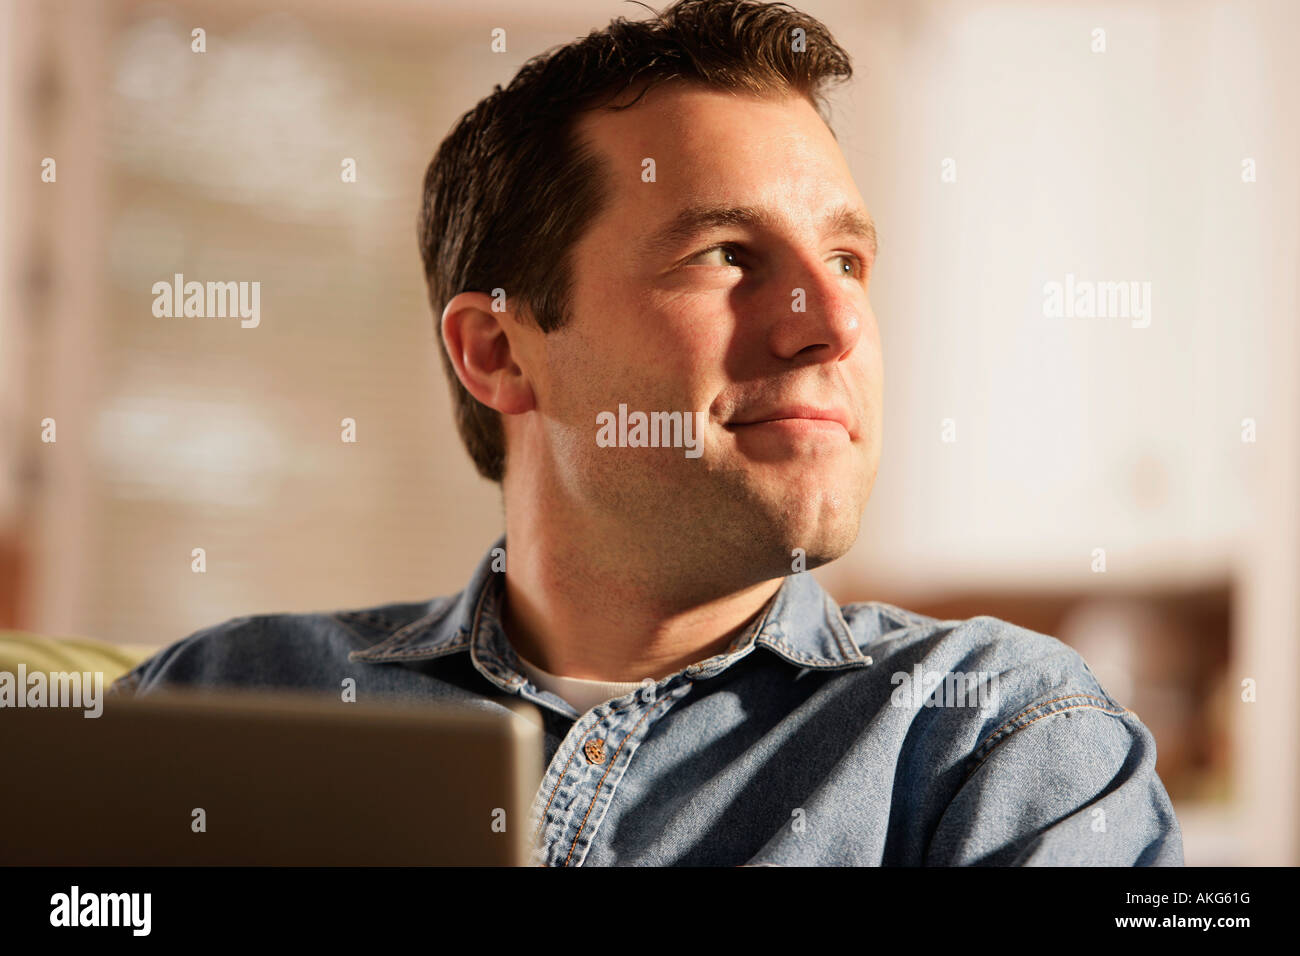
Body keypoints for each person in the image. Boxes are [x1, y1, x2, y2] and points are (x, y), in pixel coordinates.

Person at [111, 0, 1183, 866]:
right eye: (724, 252)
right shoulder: (222, 698)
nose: (836, 322)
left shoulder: (996, 740)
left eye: (848, 261)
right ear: (497, 349)